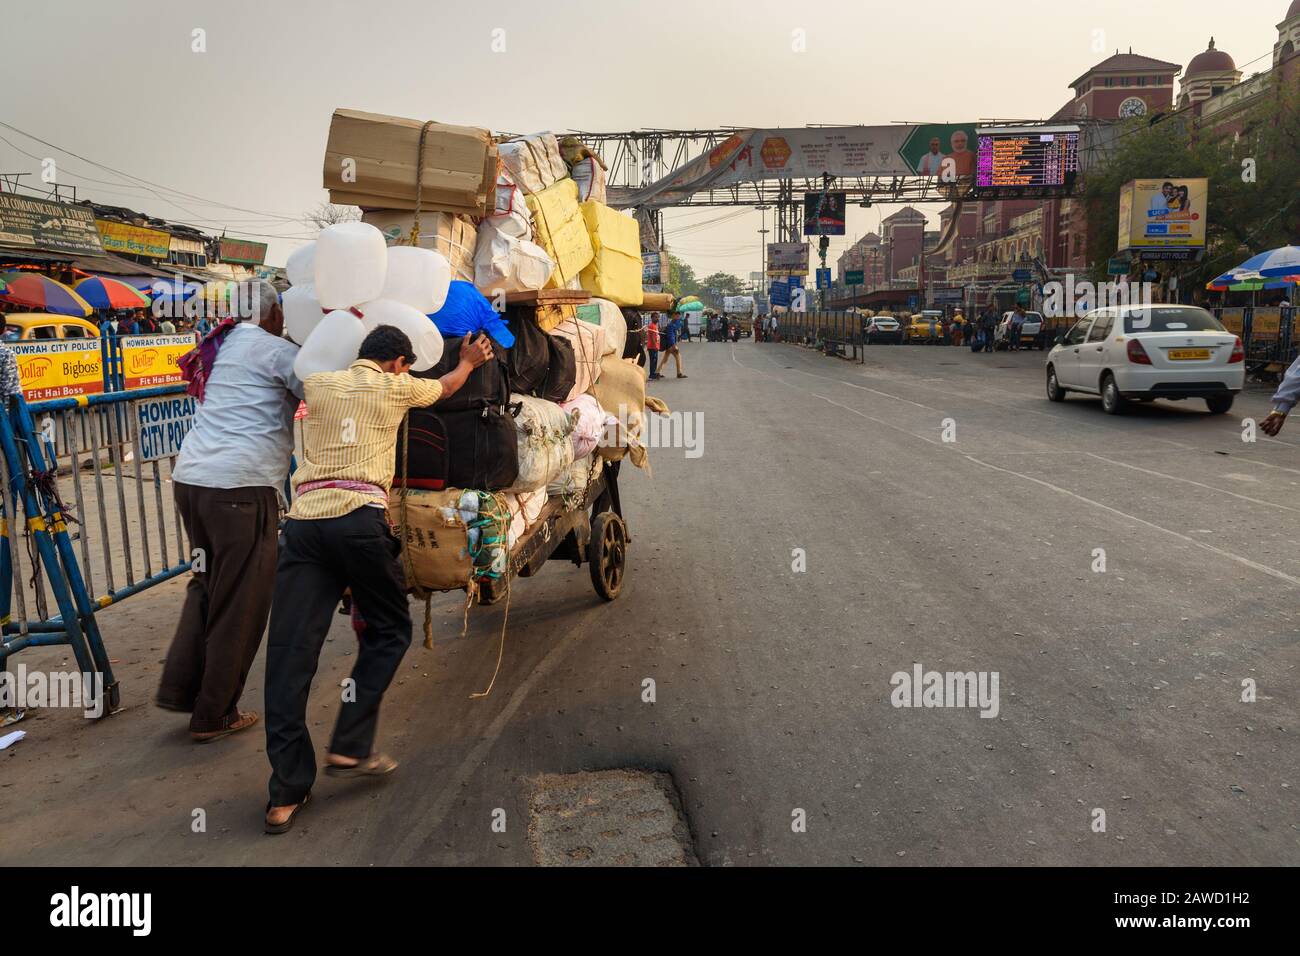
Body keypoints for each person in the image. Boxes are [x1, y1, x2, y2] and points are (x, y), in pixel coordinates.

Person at [263, 325, 494, 834]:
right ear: (397, 363)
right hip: (358, 524)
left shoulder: (319, 384)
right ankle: (350, 743)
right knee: (390, 629)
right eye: (407, 365)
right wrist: (471, 361)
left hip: (302, 527)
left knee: (289, 655)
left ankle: (284, 795)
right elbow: (449, 387)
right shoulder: (396, 387)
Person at [156, 280, 302, 742]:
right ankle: (214, 712)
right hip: (240, 488)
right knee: (240, 600)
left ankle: (183, 690)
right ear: (272, 313)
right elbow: (320, 391)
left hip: (193, 480)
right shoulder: (276, 351)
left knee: (207, 585)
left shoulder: (224, 345)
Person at [659, 314, 687, 378]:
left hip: (670, 345)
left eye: (678, 316)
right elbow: (670, 336)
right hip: (671, 345)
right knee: (678, 357)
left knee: (665, 359)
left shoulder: (672, 324)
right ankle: (679, 373)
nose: (678, 317)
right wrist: (674, 346)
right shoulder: (671, 325)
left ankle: (657, 372)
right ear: (673, 316)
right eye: (677, 316)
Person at [646, 313, 662, 379]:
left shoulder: (655, 325)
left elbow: (657, 335)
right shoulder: (651, 326)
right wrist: (655, 346)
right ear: (652, 318)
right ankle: (651, 375)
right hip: (652, 347)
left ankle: (654, 373)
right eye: (655, 317)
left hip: (655, 346)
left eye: (658, 317)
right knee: (653, 361)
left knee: (655, 361)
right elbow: (652, 337)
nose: (657, 318)